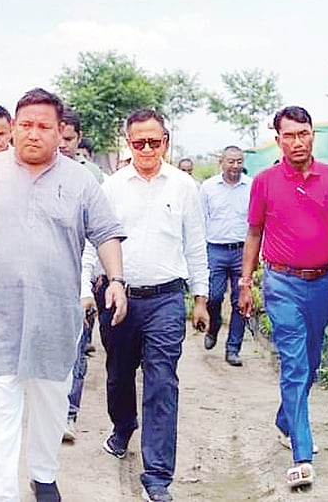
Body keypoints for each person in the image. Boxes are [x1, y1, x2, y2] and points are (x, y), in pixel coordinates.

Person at [0, 88, 128, 502]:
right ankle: (3, 494)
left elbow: (106, 234)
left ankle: (43, 475)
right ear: (14, 128)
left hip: (53, 317)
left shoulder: (81, 180)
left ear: (61, 132)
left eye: (43, 127)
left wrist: (115, 279)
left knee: (50, 403)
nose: (33, 134)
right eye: (26, 125)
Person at [239, 105, 328, 491]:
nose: (297, 142)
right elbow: (255, 233)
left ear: (313, 135)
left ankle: (284, 421)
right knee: (294, 363)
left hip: (322, 283)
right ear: (278, 140)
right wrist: (246, 281)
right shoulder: (265, 181)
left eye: (303, 133)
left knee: (311, 359)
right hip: (281, 283)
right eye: (289, 135)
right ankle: (302, 455)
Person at [93, 109, 209, 502]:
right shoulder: (111, 188)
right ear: (128, 143)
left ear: (166, 143)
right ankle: (123, 425)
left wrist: (201, 297)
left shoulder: (183, 187)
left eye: (153, 142)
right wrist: (88, 289)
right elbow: (95, 243)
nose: (145, 149)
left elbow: (195, 245)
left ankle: (158, 476)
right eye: (138, 142)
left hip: (166, 299)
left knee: (162, 382)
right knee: (118, 374)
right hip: (120, 299)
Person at [56, 108, 103, 444]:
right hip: (43, 277)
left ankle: (68, 413)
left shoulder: (93, 179)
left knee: (77, 345)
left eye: (69, 139)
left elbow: (101, 232)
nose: (61, 145)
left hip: (82, 275)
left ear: (78, 139)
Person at [199, 146, 251, 367]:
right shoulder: (208, 187)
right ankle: (214, 324)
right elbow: (201, 219)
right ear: (222, 162)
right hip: (215, 249)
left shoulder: (252, 186)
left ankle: (233, 349)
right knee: (213, 295)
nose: (235, 166)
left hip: (242, 250)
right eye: (231, 161)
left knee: (240, 301)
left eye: (239, 161)